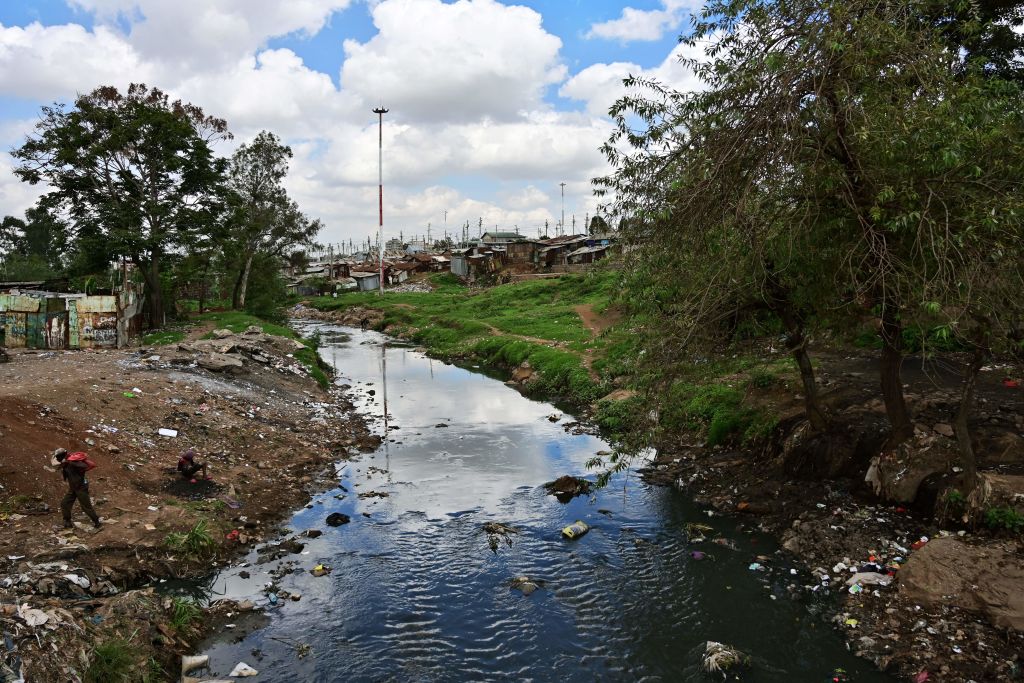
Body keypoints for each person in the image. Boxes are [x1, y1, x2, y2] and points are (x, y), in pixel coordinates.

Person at [53, 448, 100, 529]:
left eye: (58, 457)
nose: (57, 459)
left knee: (86, 506)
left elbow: (84, 466)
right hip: (73, 488)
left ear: (62, 456)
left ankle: (97, 522)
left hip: (81, 487)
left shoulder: (72, 461)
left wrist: (69, 462)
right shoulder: (66, 462)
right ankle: (67, 522)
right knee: (65, 503)